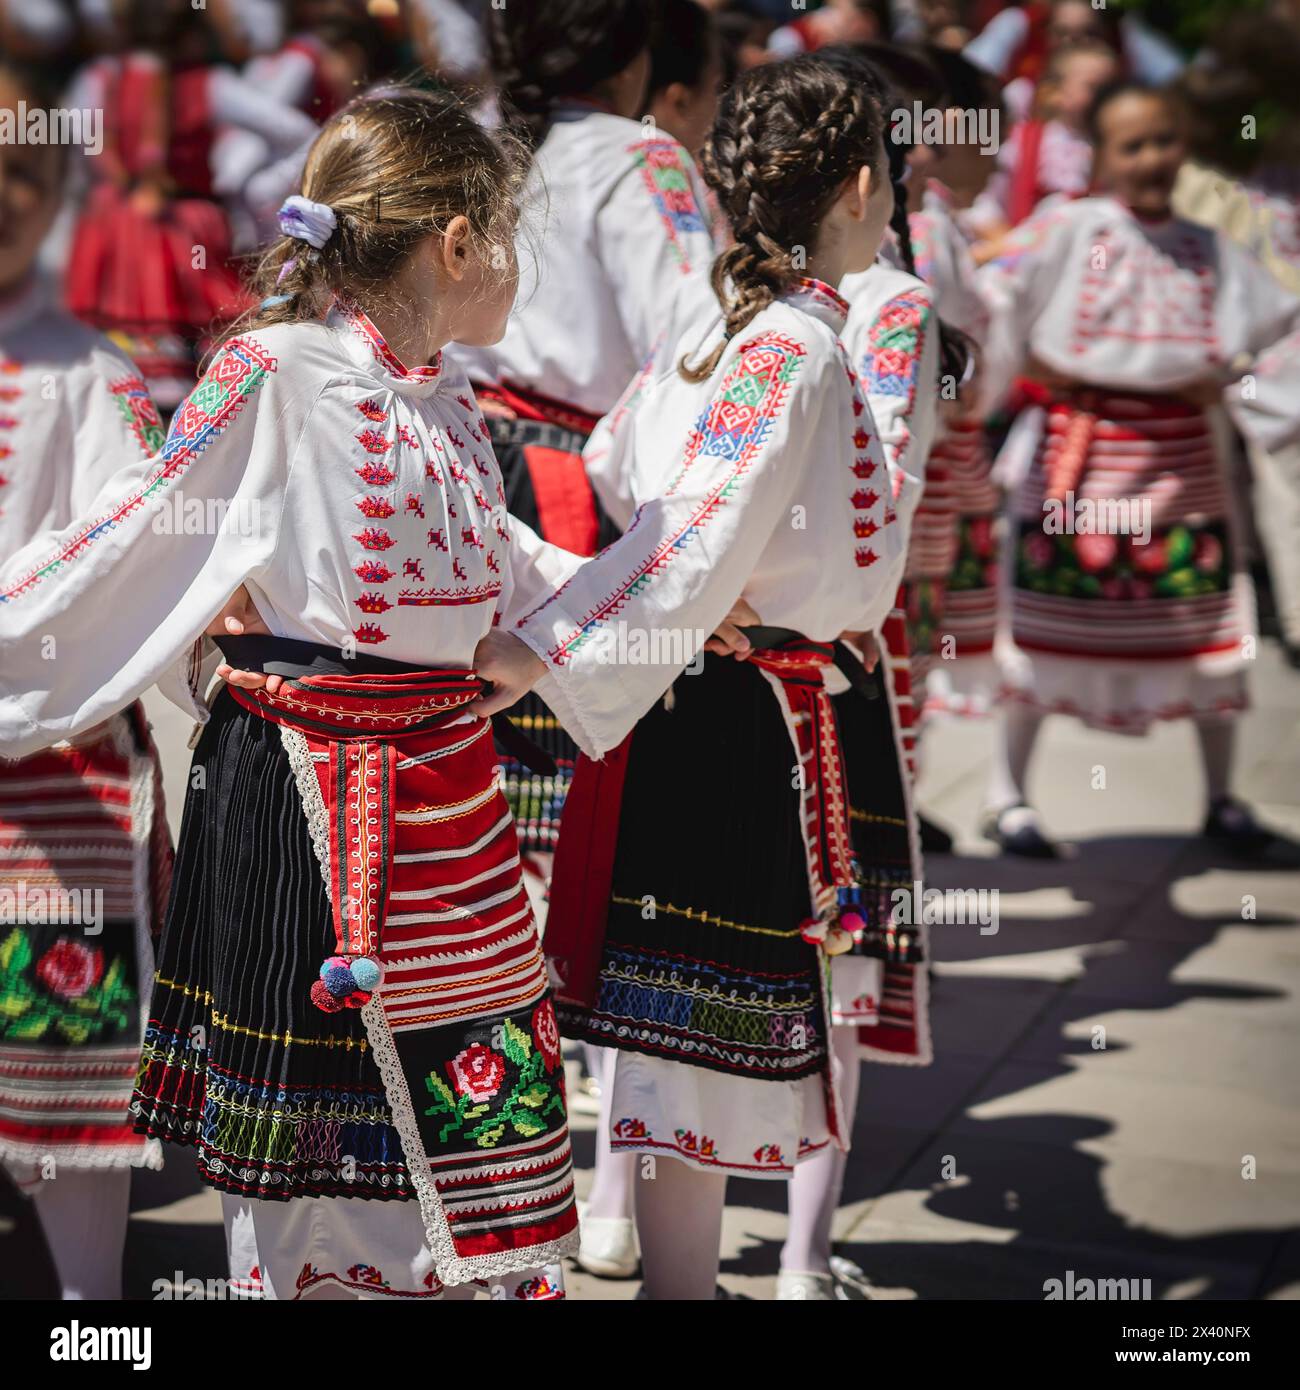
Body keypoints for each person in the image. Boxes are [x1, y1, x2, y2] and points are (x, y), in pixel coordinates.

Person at [0, 86, 745, 1301]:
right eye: (510, 239)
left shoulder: (444, 397)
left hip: (444, 805)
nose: (517, 269)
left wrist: (646, 594)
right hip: (304, 808)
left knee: (466, 1135)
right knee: (310, 1177)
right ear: (457, 240)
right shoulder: (279, 372)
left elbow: (508, 569)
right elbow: (130, 538)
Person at [540, 55, 929, 1301]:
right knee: (695, 1038)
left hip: (706, 700)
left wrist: (697, 591)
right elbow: (700, 531)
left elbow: (615, 463)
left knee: (678, 1045)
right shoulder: (800, 343)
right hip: (745, 717)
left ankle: (682, 1282)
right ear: (862, 187)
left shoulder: (725, 324)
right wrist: (700, 601)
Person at [978, 81, 1300, 856]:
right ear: (1099, 157)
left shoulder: (1209, 247)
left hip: (1182, 466)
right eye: (1133, 145)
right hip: (1079, 456)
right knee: (1043, 629)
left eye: (1165, 140)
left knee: (1203, 633)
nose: (1153, 158)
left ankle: (1221, 800)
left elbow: (1276, 336)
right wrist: (1020, 372)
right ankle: (1006, 795)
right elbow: (995, 302)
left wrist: (1231, 385)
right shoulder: (1066, 227)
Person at [457, 0, 719, 862]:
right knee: (567, 793)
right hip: (565, 481)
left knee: (470, 756)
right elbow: (690, 341)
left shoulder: (477, 140)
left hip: (461, 465)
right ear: (630, 54)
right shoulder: (638, 154)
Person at [0, 61, 173, 1301]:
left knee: (68, 1064)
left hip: (52, 772)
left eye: (27, 173)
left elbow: (135, 550)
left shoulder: (92, 369)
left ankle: (92, 1321)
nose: (6, 197)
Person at [63, 0, 317, 407]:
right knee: (206, 385)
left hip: (112, 230)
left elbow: (79, 154)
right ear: (192, 37)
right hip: (180, 231)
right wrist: (253, 189)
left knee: (111, 386)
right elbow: (299, 133)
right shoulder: (208, 84)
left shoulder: (99, 78)